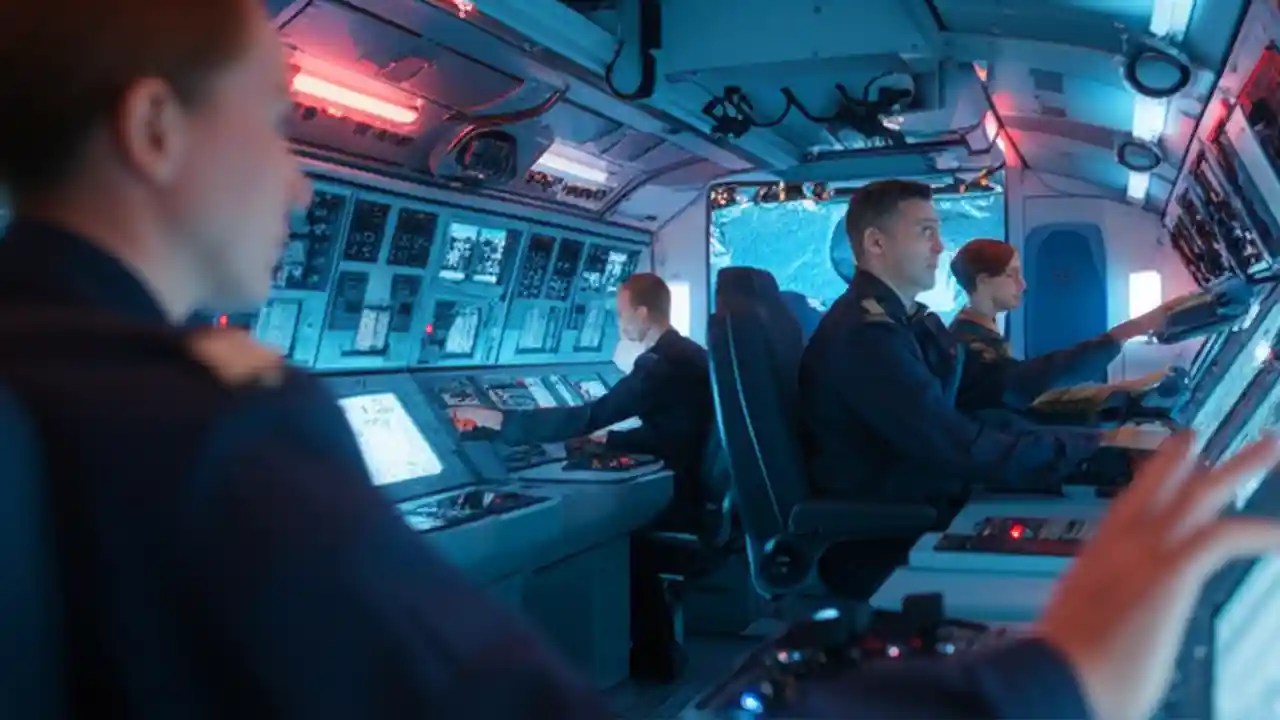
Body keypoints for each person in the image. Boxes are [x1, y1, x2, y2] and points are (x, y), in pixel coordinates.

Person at [2, 2, 1274, 719]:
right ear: (156, 127)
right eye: (269, 127)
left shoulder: (58, 392)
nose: (291, 178)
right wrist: (1054, 679)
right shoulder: (210, 434)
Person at [449, 272, 713, 681]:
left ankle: (648, 658)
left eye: (620, 315)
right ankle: (653, 655)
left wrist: (500, 420)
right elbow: (677, 428)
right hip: (695, 481)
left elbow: (591, 414)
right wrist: (611, 440)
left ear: (642, 313)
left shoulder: (660, 363)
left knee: (618, 537)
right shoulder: (691, 353)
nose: (619, 325)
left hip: (682, 492)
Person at [799, 180, 1109, 510]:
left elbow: (984, 394)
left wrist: (1089, 439)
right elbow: (953, 444)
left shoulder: (909, 322)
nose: (939, 247)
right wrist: (1089, 453)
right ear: (876, 242)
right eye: (925, 232)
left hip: (930, 487)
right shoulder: (865, 337)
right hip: (898, 520)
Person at [949, 238, 1175, 411]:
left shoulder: (982, 333)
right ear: (983, 281)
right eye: (1012, 275)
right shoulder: (968, 344)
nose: (1023, 284)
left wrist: (1120, 390)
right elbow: (1027, 382)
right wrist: (1126, 332)